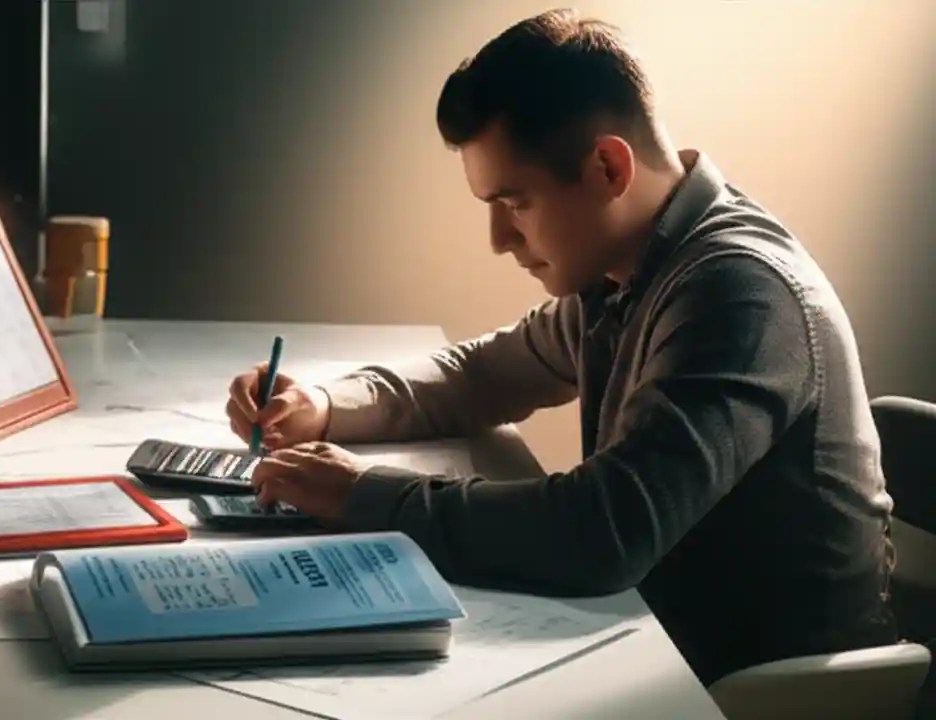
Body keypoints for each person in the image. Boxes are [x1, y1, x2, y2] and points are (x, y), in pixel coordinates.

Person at [224, 8, 897, 685]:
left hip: (745, 694)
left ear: (607, 167)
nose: (498, 239)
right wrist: (319, 404)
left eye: (515, 204)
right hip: (652, 646)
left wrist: (365, 495)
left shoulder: (741, 295)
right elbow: (480, 375)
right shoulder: (627, 271)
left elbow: (603, 531)